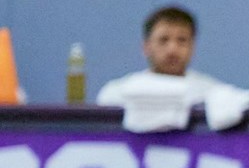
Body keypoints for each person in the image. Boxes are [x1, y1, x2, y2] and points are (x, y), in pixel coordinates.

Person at [95, 6, 224, 105]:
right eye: (163, 40)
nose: (172, 50)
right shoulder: (117, 96)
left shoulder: (213, 97)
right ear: (146, 47)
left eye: (182, 40)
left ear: (192, 47)